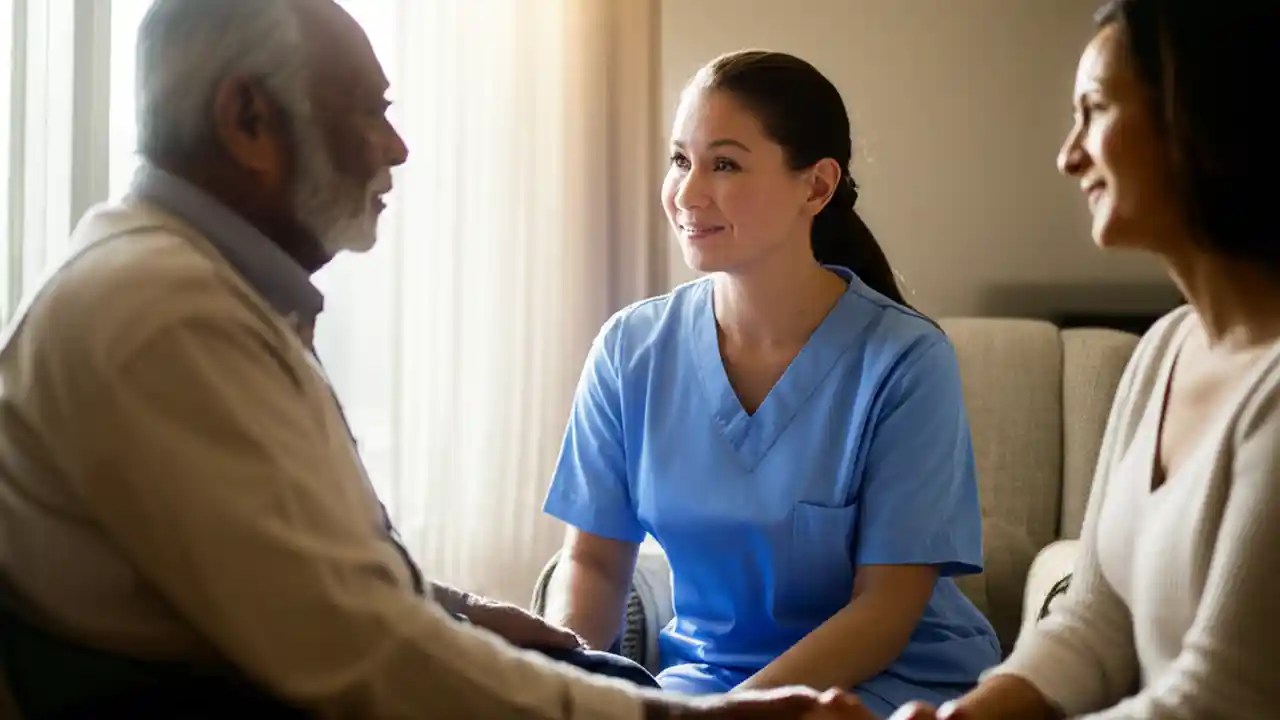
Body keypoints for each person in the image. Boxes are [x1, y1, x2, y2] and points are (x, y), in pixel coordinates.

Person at [0, 1, 876, 718]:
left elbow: (298, 573)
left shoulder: (197, 292)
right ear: (248, 119)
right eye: (371, 110)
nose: (397, 147)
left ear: (817, 187)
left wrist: (450, 606)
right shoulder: (164, 316)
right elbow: (357, 651)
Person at [542, 50, 1001, 719]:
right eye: (679, 159)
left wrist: (740, 713)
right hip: (705, 688)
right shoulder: (629, 351)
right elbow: (594, 563)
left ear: (815, 187)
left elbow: (886, 609)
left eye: (723, 163)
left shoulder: (906, 361)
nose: (688, 193)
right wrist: (564, 688)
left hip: (894, 684)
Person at [892, 2, 1280, 719]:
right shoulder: (1162, 349)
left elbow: (1225, 700)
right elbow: (1091, 624)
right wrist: (967, 716)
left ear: (1197, 117)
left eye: (1095, 110)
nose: (1069, 155)